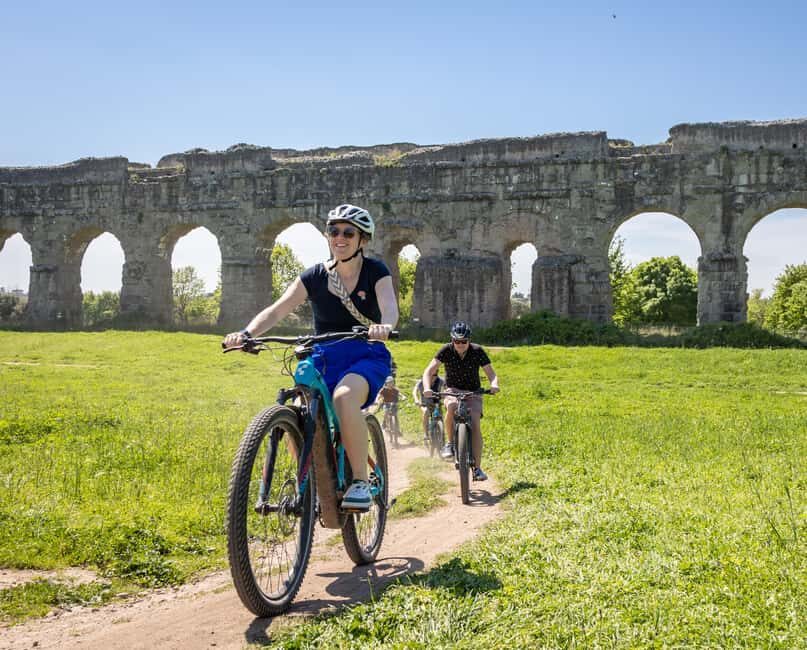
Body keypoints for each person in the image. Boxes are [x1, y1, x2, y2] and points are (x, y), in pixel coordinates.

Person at [223, 204, 398, 511]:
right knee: (298, 407)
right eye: (333, 231)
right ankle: (313, 476)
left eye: (348, 232)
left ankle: (359, 481)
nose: (339, 238)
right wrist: (246, 332)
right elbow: (278, 309)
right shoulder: (316, 275)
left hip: (365, 353)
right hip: (324, 354)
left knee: (345, 398)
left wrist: (385, 327)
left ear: (362, 240)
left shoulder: (375, 272)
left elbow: (389, 306)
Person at [421, 321, 499, 481]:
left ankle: (477, 468)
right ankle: (450, 443)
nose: (460, 344)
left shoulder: (477, 351)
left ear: (469, 340)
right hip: (452, 390)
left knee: (476, 423)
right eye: (457, 341)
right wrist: (427, 387)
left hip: (473, 392)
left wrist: (494, 384)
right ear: (452, 340)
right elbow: (429, 371)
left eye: (464, 341)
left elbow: (491, 373)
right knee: (451, 407)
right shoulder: (446, 350)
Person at [412, 373, 446, 442]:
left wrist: (445, 395)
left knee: (440, 417)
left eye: (435, 376)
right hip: (424, 403)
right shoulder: (421, 381)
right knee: (426, 412)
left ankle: (441, 432)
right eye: (431, 376)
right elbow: (415, 391)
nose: (433, 378)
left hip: (436, 402)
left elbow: (447, 388)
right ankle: (426, 433)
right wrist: (416, 399)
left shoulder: (440, 380)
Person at [374, 375, 405, 444]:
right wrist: (376, 400)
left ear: (393, 383)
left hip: (394, 405)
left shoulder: (395, 390)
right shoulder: (384, 389)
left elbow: (400, 394)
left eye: (392, 382)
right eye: (389, 382)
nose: (390, 384)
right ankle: (384, 422)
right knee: (386, 411)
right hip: (386, 404)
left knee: (396, 416)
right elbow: (379, 395)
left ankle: (397, 429)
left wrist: (403, 397)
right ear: (386, 383)